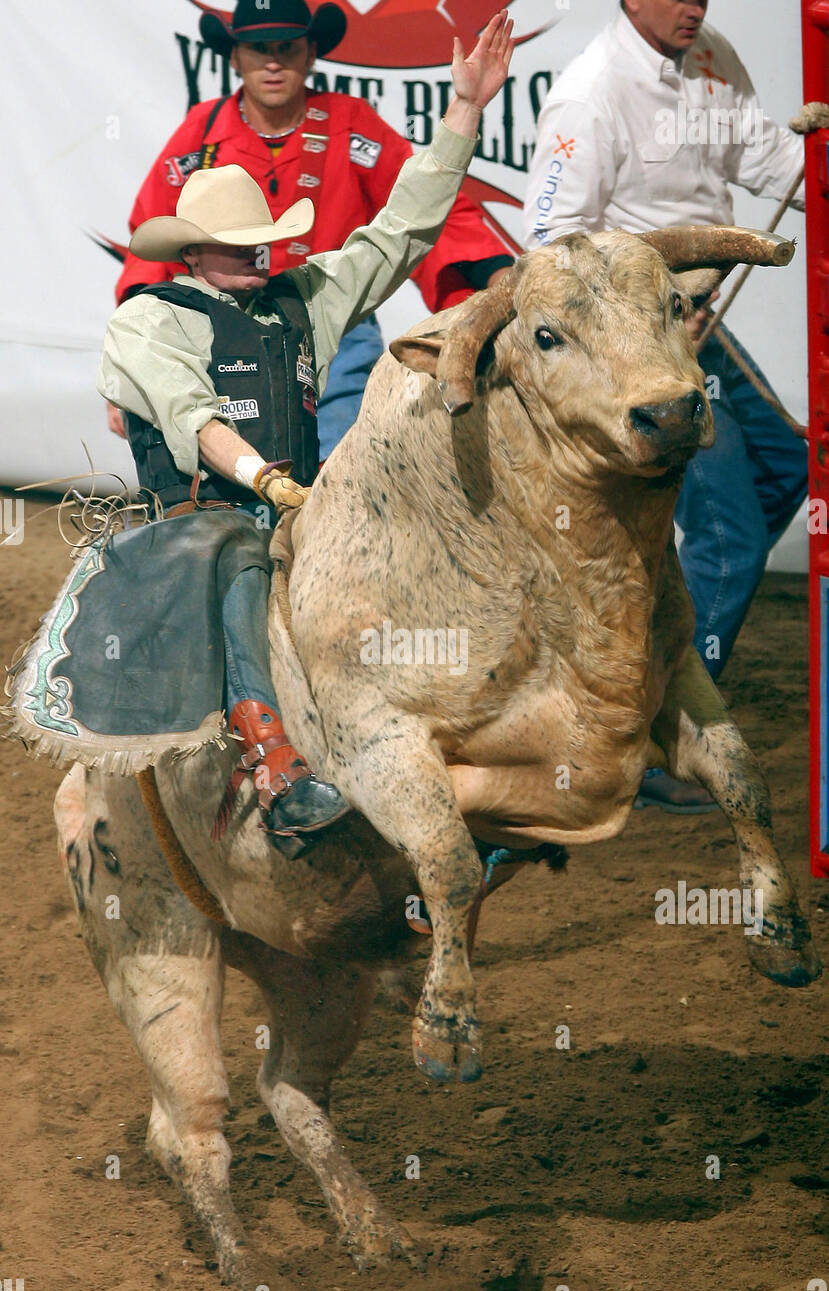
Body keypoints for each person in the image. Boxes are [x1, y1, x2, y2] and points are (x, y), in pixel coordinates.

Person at [97, 10, 515, 853]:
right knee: (244, 564)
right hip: (202, 522)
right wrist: (267, 483)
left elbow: (400, 231)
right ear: (196, 251)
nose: (263, 257)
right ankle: (273, 765)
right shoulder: (149, 322)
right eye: (246, 247)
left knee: (413, 560)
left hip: (289, 505)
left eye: (265, 244)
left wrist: (464, 113)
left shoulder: (301, 299)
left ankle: (466, 760)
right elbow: (195, 422)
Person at [523, 0, 815, 811]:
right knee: (729, 536)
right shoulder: (589, 93)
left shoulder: (709, 55)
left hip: (691, 324)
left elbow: (770, 161)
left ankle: (651, 648)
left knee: (788, 464)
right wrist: (642, 306)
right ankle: (661, 731)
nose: (694, 6)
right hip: (638, 343)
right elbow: (551, 243)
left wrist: (815, 148)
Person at [107, 0, 513, 458]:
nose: (274, 61)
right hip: (214, 328)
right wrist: (133, 368)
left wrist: (500, 283)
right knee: (228, 479)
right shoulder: (201, 133)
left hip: (327, 315)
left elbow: (418, 213)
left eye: (288, 47)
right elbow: (151, 242)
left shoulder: (350, 122)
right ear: (236, 57)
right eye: (259, 49)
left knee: (336, 473)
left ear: (311, 53)